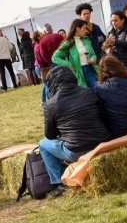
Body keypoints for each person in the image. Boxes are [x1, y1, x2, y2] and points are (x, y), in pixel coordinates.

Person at [39, 66, 113, 198]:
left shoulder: (50, 104)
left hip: (77, 150)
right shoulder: (89, 92)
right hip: (103, 143)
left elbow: (49, 135)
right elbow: (103, 116)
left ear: (51, 83)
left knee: (43, 144)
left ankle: (59, 183)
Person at [52, 19, 99, 89]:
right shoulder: (68, 43)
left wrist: (93, 58)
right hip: (77, 73)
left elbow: (93, 54)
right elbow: (55, 58)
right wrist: (68, 64)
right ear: (77, 28)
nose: (86, 30)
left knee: (96, 90)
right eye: (84, 28)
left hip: (90, 69)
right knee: (84, 95)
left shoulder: (87, 40)